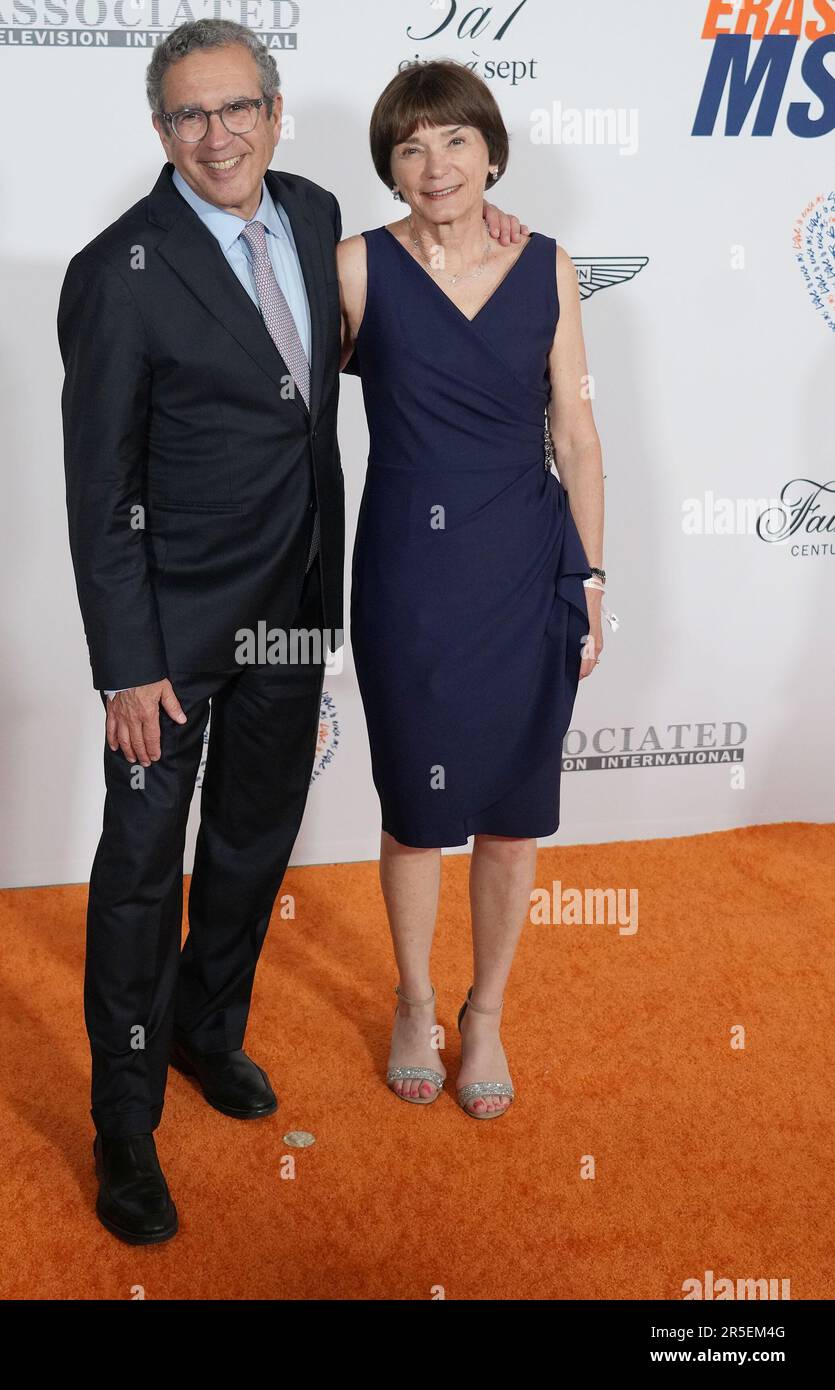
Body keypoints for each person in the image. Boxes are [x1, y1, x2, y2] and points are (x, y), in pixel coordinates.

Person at [58, 21, 527, 1243]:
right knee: (139, 871)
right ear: (158, 131)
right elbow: (95, 486)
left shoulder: (320, 218)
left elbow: (416, 322)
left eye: (234, 109)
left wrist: (476, 243)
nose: (215, 136)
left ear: (274, 110)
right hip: (165, 637)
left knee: (254, 842)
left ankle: (208, 1036)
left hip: (292, 610)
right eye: (186, 117)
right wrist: (123, 663)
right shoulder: (119, 270)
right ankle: (123, 1126)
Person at [337, 60, 609, 1119]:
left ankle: (483, 1011)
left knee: (510, 814)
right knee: (414, 809)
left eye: (454, 140)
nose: (434, 163)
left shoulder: (546, 266)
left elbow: (576, 437)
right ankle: (414, 1002)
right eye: (409, 146)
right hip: (407, 568)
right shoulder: (353, 268)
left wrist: (587, 574)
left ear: (490, 152)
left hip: (526, 562)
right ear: (388, 169)